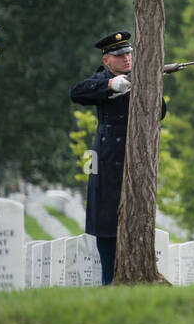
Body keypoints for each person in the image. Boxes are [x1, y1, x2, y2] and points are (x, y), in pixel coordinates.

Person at [69, 30, 167, 284]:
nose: (126, 58)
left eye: (128, 53)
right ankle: (109, 283)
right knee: (107, 228)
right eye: (119, 55)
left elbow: (161, 112)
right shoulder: (100, 80)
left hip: (135, 160)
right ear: (106, 60)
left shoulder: (140, 79)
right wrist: (111, 85)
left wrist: (147, 85)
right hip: (107, 162)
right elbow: (77, 92)